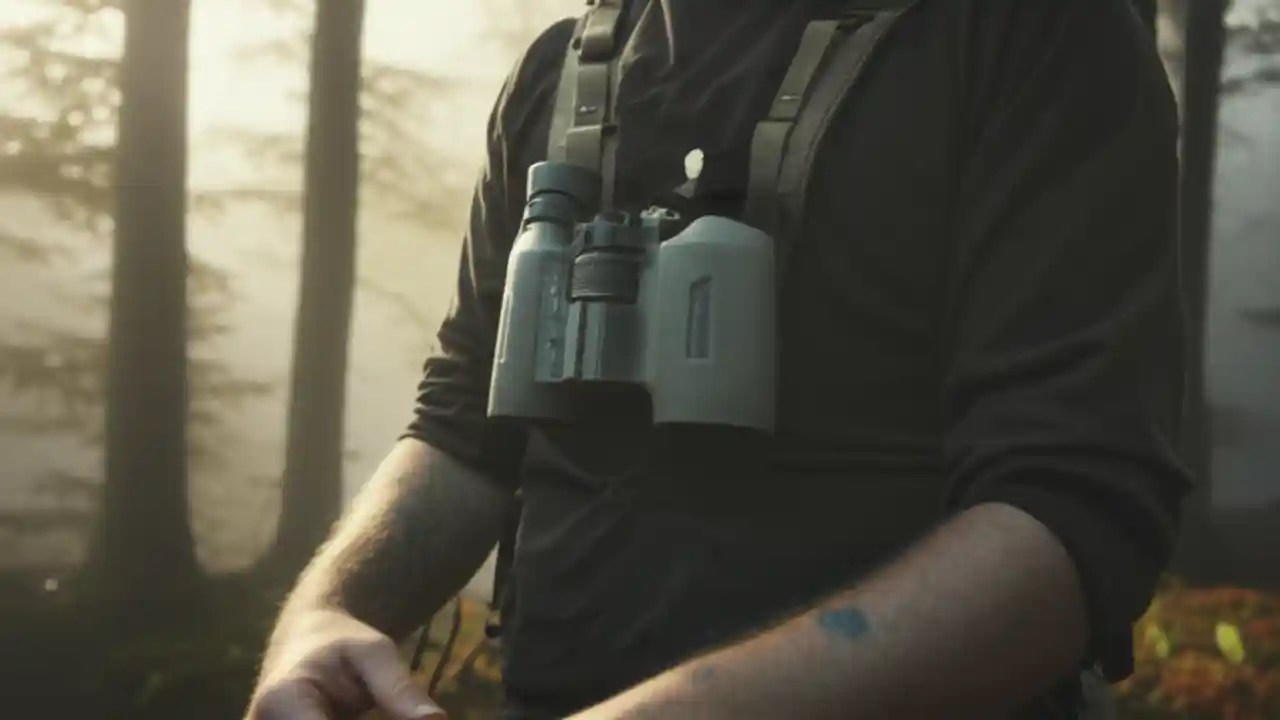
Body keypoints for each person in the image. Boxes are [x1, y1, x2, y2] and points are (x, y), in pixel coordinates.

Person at [245, 0, 1191, 718]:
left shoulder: (1038, 36)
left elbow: (1071, 519)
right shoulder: (559, 72)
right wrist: (323, 618)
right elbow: (466, 423)